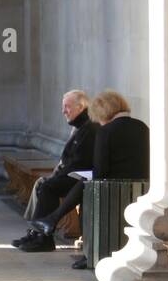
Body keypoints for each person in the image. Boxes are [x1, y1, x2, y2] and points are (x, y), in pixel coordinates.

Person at [27, 89, 149, 268]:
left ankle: (88, 252)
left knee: (88, 190)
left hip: (112, 190)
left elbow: (100, 171)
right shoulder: (142, 127)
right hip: (141, 188)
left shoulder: (106, 131)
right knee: (85, 185)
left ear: (103, 112)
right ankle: (52, 220)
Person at [12, 89, 99, 252]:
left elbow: (80, 161)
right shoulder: (81, 126)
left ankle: (44, 238)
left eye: (67, 106)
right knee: (43, 184)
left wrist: (57, 176)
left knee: (48, 187)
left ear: (80, 107)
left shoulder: (89, 128)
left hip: (81, 177)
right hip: (74, 175)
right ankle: (36, 233)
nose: (63, 111)